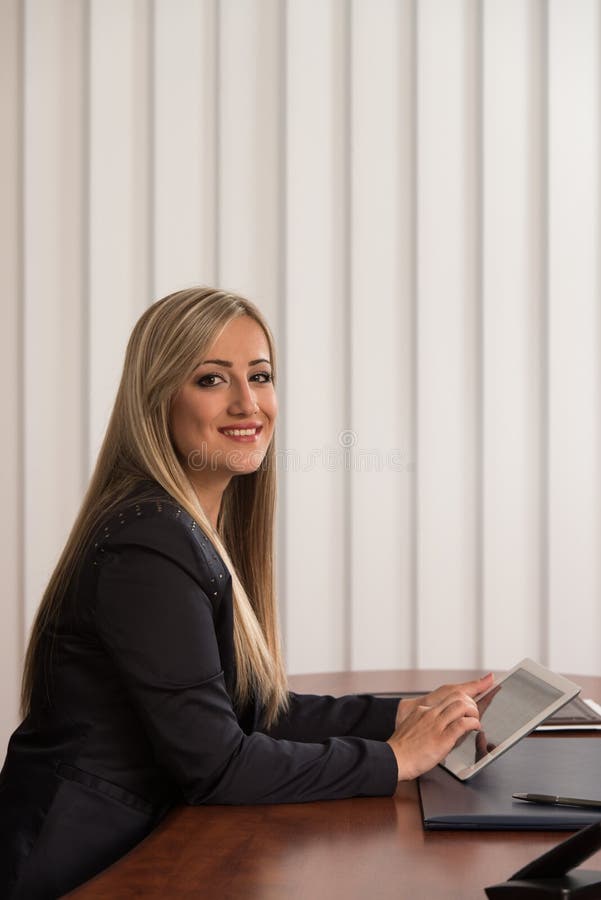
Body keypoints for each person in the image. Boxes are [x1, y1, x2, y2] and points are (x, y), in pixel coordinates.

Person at [0, 287, 492, 898]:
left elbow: (248, 713)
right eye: (211, 379)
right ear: (157, 400)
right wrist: (393, 760)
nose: (247, 403)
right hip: (81, 871)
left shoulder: (182, 526)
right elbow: (219, 764)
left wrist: (404, 714)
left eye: (260, 376)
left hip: (134, 848)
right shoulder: (149, 543)